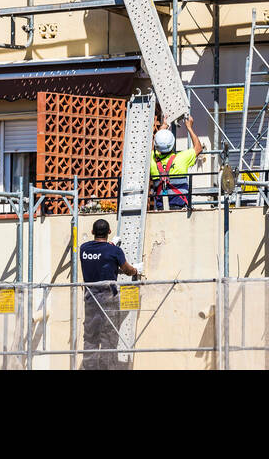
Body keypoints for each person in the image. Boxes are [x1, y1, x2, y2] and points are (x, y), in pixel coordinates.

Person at [79, 218, 140, 370]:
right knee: (109, 338)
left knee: (90, 337)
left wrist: (108, 248)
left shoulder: (83, 248)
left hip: (90, 300)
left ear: (93, 232)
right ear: (109, 232)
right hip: (108, 300)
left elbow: (99, 261)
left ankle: (90, 367)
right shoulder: (114, 251)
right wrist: (136, 270)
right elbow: (126, 269)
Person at [149, 116, 203, 211]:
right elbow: (198, 147)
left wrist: (164, 126)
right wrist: (189, 127)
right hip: (180, 208)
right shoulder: (181, 158)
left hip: (160, 209)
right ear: (173, 143)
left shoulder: (152, 160)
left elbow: (154, 147)